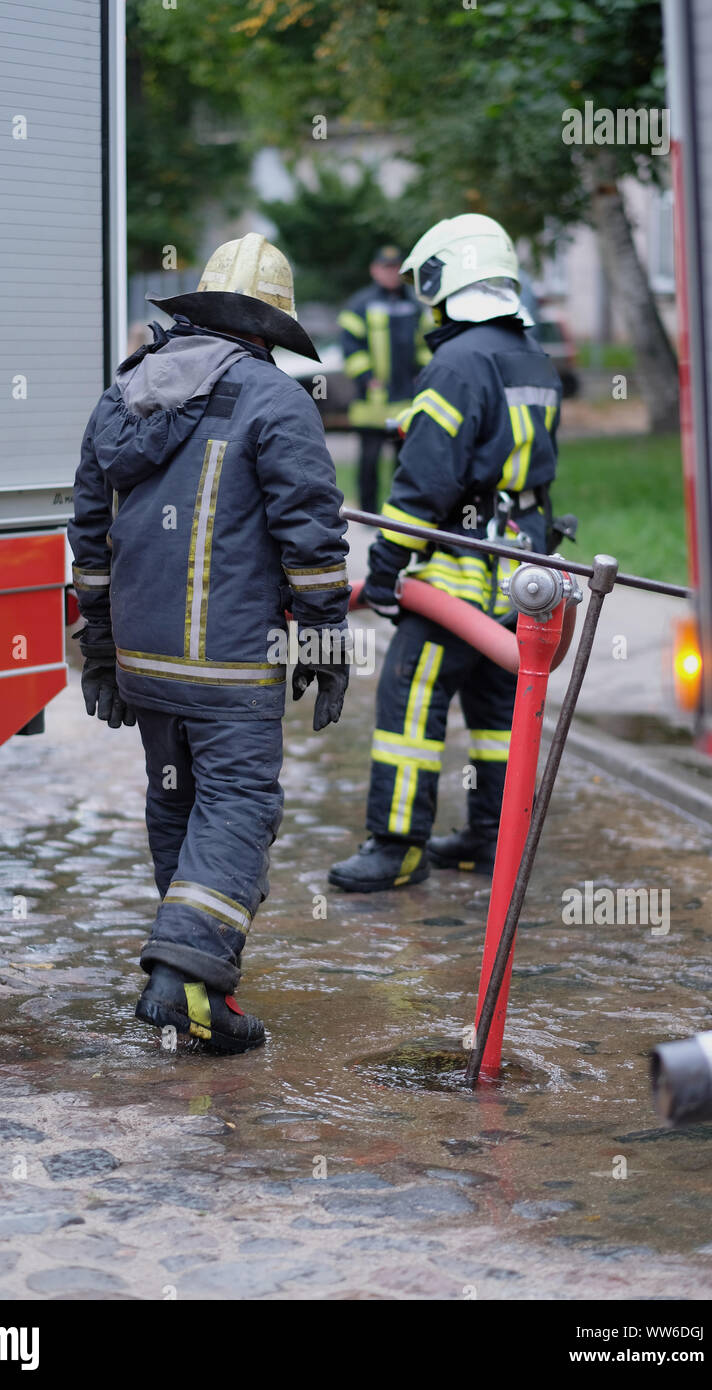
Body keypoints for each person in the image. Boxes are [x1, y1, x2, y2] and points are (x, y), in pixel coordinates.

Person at [69, 233, 351, 1051]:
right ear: (266, 329)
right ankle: (177, 979)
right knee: (237, 807)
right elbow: (311, 537)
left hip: (147, 667)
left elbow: (89, 540)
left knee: (179, 809)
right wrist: (328, 650)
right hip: (231, 668)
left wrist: (101, 652)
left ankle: (200, 995)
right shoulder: (275, 400)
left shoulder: (120, 396)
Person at [329, 214, 561, 893]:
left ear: (448, 277)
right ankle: (494, 836)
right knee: (496, 705)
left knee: (409, 698)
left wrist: (383, 569)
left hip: (456, 574)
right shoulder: (533, 357)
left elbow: (422, 485)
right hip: (520, 574)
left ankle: (397, 845)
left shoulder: (456, 363)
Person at [339, 245, 431, 514]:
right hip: (372, 404)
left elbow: (426, 344)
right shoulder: (360, 304)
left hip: (405, 402)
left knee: (403, 463)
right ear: (374, 270)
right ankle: (368, 514)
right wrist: (367, 378)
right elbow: (350, 346)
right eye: (386, 268)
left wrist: (423, 373)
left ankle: (399, 512)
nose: (391, 274)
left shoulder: (414, 305)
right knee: (368, 462)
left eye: (395, 269)